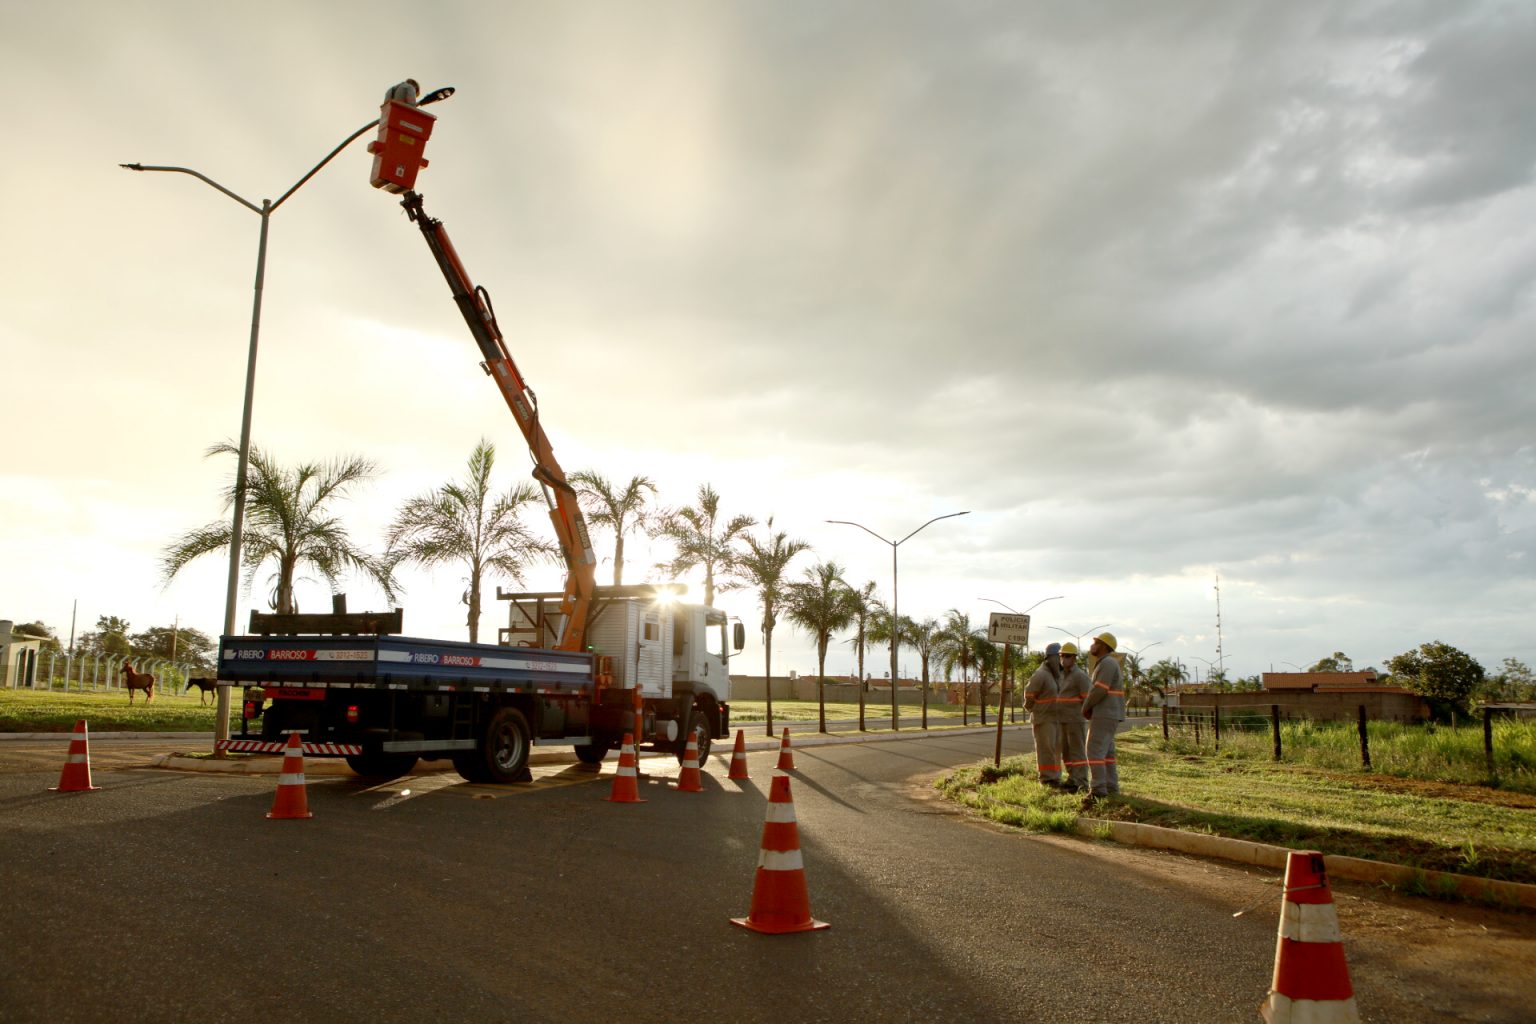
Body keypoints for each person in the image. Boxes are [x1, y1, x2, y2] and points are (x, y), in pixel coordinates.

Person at [1082, 631, 1126, 802]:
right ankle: (1111, 787)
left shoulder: (1107, 663)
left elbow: (1099, 689)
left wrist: (1086, 706)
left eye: (1096, 642)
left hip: (1105, 712)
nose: (1092, 645)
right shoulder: (1107, 663)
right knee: (1106, 753)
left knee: (1094, 750)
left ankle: (1098, 790)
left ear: (1104, 646)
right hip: (1109, 712)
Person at [1023, 643, 1064, 786]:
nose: (1061, 660)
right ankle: (1046, 779)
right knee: (1045, 750)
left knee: (1056, 749)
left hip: (1056, 718)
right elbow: (1029, 695)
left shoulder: (1057, 675)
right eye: (1059, 657)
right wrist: (1035, 710)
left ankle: (1056, 777)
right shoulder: (1041, 674)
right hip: (1043, 718)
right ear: (1050, 658)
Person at [1055, 642, 1091, 793]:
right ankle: (1072, 779)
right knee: (1066, 752)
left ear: (1074, 658)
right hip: (1062, 719)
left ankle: (1082, 782)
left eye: (1067, 656)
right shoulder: (1061, 675)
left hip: (1075, 719)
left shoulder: (1080, 676)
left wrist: (1084, 714)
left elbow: (1088, 698)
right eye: (1062, 656)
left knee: (1077, 752)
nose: (1064, 659)